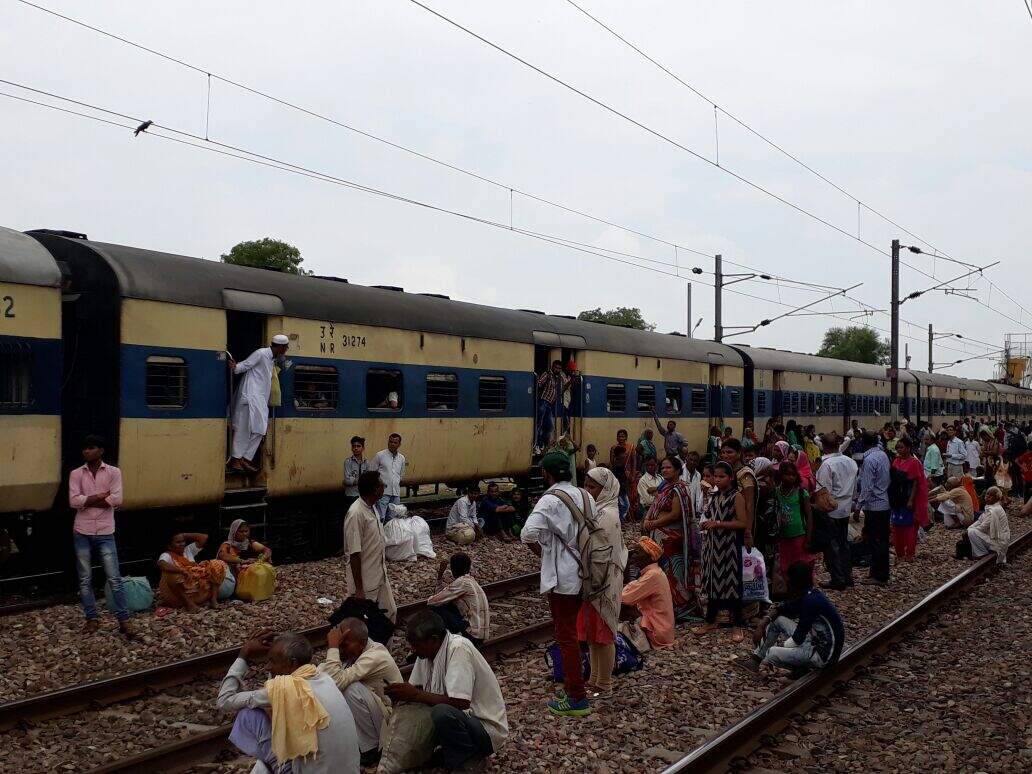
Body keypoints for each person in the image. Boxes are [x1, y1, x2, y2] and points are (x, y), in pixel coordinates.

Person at [218, 630, 360, 773]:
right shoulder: (324, 678)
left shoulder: (285, 688)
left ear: (292, 663)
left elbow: (224, 700)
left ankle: (280, 768)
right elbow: (276, 684)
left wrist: (244, 653)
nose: (267, 667)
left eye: (272, 661)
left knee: (248, 715)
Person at [519, 450, 594, 717]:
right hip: (585, 572)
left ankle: (576, 697)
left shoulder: (549, 500)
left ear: (546, 474)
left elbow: (526, 533)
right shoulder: (585, 495)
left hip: (562, 578)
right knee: (574, 631)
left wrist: (543, 552)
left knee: (566, 636)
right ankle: (579, 686)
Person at [383, 611, 508, 769]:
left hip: (485, 728)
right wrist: (402, 694)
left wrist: (415, 694)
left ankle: (469, 760)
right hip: (464, 721)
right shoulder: (427, 654)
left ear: (433, 640)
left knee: (442, 713)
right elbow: (420, 688)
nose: (413, 650)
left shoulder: (458, 648)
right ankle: (448, 753)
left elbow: (460, 702)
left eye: (416, 645)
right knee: (423, 712)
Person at [69, 435, 134, 637]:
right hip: (82, 530)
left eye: (91, 448)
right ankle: (91, 618)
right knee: (85, 578)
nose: (86, 452)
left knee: (114, 578)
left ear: (101, 450)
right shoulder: (76, 474)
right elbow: (73, 501)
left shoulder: (114, 472)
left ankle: (124, 620)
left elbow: (118, 498)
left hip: (105, 530)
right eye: (84, 449)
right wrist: (99, 497)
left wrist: (86, 501)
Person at [736, 561, 845, 677]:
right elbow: (782, 608)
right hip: (818, 643)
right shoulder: (810, 594)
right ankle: (755, 660)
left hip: (823, 656)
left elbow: (797, 639)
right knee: (777, 621)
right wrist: (762, 624)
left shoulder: (810, 602)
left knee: (772, 653)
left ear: (793, 583)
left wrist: (779, 651)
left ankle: (801, 667)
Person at [320, 618, 403, 767]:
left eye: (344, 644)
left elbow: (334, 683)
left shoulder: (375, 656)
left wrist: (333, 647)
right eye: (340, 644)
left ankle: (371, 749)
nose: (341, 649)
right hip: (377, 713)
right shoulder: (355, 653)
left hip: (392, 720)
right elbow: (323, 675)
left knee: (352, 689)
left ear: (362, 643)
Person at [578, 467, 627, 697]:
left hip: (604, 580)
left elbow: (600, 551)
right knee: (592, 633)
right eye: (586, 486)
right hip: (594, 579)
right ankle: (594, 679)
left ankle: (604, 684)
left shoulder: (606, 515)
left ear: (605, 489)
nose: (588, 491)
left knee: (604, 631)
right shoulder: (597, 511)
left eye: (593, 487)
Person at [694, 461, 749, 641]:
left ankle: (737, 624)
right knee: (713, 584)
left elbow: (742, 522)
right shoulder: (715, 496)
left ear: (730, 478)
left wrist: (718, 524)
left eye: (721, 476)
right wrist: (707, 523)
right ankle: (711, 620)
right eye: (715, 476)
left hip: (729, 547)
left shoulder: (736, 496)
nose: (717, 480)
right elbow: (709, 515)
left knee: (732, 584)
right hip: (713, 547)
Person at [642, 455, 701, 621]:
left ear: (677, 470)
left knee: (673, 573)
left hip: (672, 539)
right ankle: (664, 605)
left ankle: (680, 607)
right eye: (663, 468)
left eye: (668, 467)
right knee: (662, 571)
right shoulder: (665, 487)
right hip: (661, 537)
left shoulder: (679, 489)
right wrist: (648, 520)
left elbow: (675, 514)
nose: (664, 470)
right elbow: (655, 506)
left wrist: (653, 524)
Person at [228, 335, 288, 473]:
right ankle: (236, 460)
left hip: (260, 398)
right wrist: (235, 367)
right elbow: (245, 365)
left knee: (260, 429)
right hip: (249, 396)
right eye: (285, 347)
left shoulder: (273, 358)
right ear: (279, 347)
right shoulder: (261, 353)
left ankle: (244, 458)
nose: (286, 350)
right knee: (243, 428)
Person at [343, 471, 397, 622]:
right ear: (374, 490)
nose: (384, 487)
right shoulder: (356, 513)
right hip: (366, 583)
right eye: (382, 485)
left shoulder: (372, 507)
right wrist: (359, 589)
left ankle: (385, 646)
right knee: (368, 624)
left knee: (390, 614)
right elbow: (354, 554)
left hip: (380, 576)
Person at [815, 435, 858, 590]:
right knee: (844, 543)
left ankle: (837, 578)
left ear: (823, 446)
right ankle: (848, 576)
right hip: (846, 507)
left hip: (831, 509)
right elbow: (854, 486)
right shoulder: (850, 461)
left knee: (831, 545)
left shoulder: (826, 465)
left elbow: (823, 491)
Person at [619, 537, 675, 648]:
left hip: (658, 632)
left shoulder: (652, 575)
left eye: (637, 553)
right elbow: (633, 588)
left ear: (649, 557)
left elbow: (625, 598)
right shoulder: (655, 572)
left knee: (622, 605)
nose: (634, 556)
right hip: (664, 629)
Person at [428, 552, 491, 648]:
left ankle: (454, 637)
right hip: (481, 635)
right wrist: (440, 575)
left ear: (453, 569)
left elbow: (432, 601)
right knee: (447, 604)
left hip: (472, 636)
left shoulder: (462, 583)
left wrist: (440, 574)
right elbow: (440, 597)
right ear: (469, 568)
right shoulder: (471, 581)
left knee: (436, 607)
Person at [855, 432, 891, 586]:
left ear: (864, 443)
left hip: (874, 506)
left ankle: (880, 576)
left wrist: (858, 506)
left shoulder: (869, 460)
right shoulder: (882, 455)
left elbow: (867, 487)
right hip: (884, 503)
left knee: (876, 541)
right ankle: (877, 572)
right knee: (880, 540)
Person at [157, 533, 227, 611]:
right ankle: (189, 604)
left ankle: (213, 600)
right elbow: (162, 564)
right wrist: (181, 570)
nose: (182, 544)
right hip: (179, 596)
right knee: (171, 574)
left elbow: (204, 538)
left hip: (199, 590)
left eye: (183, 541)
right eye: (178, 542)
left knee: (217, 564)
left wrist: (184, 535)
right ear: (169, 546)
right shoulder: (167, 555)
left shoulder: (188, 550)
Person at [890, 436, 928, 563]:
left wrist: (911, 500)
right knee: (896, 526)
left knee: (910, 526)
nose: (899, 450)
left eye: (901, 447)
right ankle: (899, 552)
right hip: (897, 499)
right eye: (898, 448)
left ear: (908, 448)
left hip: (908, 497)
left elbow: (916, 483)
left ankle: (910, 553)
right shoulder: (896, 461)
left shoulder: (914, 462)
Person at [774, 461, 813, 578]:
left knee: (801, 565)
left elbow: (809, 515)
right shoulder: (776, 492)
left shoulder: (801, 493)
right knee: (785, 566)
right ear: (781, 475)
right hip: (783, 537)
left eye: (793, 474)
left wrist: (809, 538)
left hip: (799, 535)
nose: (790, 477)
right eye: (787, 474)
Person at [218, 519, 272, 589]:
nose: (244, 534)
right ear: (234, 532)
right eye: (241, 532)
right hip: (235, 575)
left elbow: (267, 550)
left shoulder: (249, 543)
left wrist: (261, 559)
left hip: (249, 572)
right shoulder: (228, 545)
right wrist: (242, 561)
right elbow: (223, 555)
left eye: (246, 531)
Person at [967, 486, 1011, 565]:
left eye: (991, 496)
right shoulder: (992, 507)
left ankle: (982, 554)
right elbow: (980, 520)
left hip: (999, 542)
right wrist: (969, 527)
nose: (987, 497)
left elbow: (983, 527)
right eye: (987, 494)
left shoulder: (994, 510)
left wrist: (970, 530)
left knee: (972, 532)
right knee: (971, 530)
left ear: (996, 498)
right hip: (997, 539)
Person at [535, 360, 570, 452]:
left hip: (550, 404)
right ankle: (537, 445)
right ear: (552, 367)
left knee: (550, 426)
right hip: (543, 401)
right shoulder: (547, 374)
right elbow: (539, 384)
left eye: (559, 368)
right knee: (539, 424)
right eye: (556, 368)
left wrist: (570, 382)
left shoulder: (559, 378)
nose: (557, 369)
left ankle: (543, 444)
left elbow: (561, 390)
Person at [373, 434, 406, 521]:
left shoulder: (402, 458)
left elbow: (401, 476)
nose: (392, 444)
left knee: (393, 518)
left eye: (395, 442)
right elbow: (372, 473)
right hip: (382, 493)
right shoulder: (380, 455)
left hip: (396, 493)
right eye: (390, 442)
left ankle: (390, 534)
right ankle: (380, 534)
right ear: (388, 442)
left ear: (399, 444)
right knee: (381, 517)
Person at [610, 429, 635, 522]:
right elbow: (612, 463)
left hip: (627, 475)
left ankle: (625, 518)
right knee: (622, 500)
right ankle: (621, 519)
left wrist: (632, 474)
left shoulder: (631, 447)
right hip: (619, 475)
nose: (621, 438)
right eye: (619, 436)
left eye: (623, 436)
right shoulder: (614, 448)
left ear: (626, 437)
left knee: (627, 497)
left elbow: (633, 461)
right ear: (617, 437)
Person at [343, 436, 371, 513]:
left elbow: (368, 481)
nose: (356, 448)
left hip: (363, 495)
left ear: (363, 448)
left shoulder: (367, 463)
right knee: (352, 517)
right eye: (354, 446)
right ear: (351, 448)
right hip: (351, 495)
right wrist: (362, 481)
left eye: (358, 446)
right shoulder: (348, 462)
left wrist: (354, 481)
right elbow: (347, 481)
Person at [636, 456, 661, 522]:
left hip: (660, 511)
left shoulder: (660, 478)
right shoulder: (643, 480)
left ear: (656, 465)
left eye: (652, 465)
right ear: (645, 466)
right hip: (649, 512)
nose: (650, 467)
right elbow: (649, 501)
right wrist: (661, 495)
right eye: (648, 465)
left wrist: (656, 494)